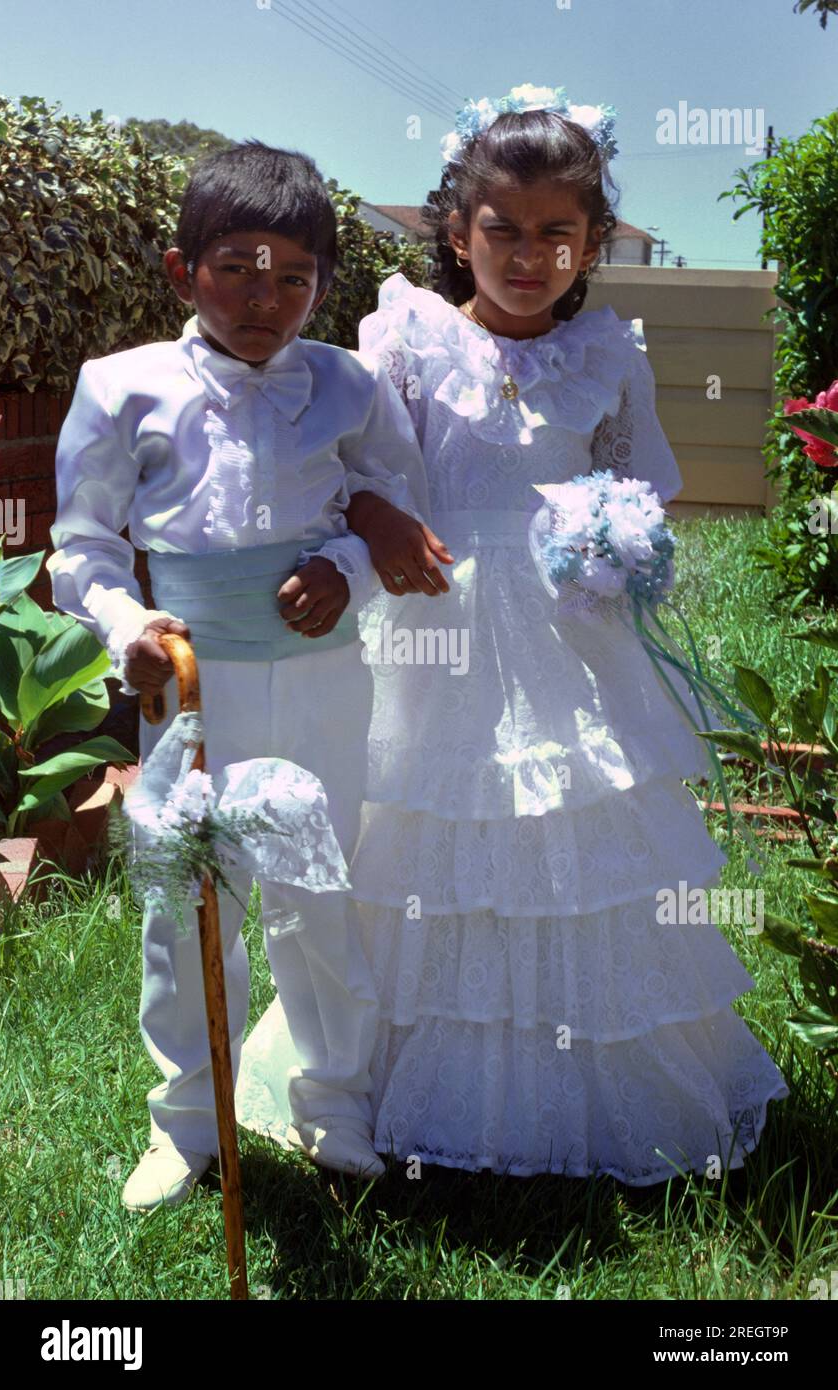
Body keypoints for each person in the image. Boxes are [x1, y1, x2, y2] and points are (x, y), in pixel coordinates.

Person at [238, 90, 790, 1183]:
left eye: (556, 233)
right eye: (502, 229)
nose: (527, 255)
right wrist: (374, 514)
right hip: (428, 606)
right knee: (417, 829)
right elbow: (346, 464)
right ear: (457, 232)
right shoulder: (405, 335)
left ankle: (585, 1092)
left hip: (561, 627)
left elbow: (639, 482)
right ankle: (369, 1076)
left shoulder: (607, 353)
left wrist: (614, 534)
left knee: (564, 834)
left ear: (590, 244)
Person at [47, 140, 432, 1209]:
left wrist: (347, 567)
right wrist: (125, 619)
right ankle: (188, 1119)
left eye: (294, 278)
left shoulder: (348, 387)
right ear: (182, 270)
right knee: (186, 899)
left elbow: (395, 510)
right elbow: (77, 545)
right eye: (237, 269)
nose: (266, 297)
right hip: (187, 682)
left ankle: (335, 1100)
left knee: (321, 885)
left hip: (320, 673)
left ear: (322, 283)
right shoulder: (122, 386)